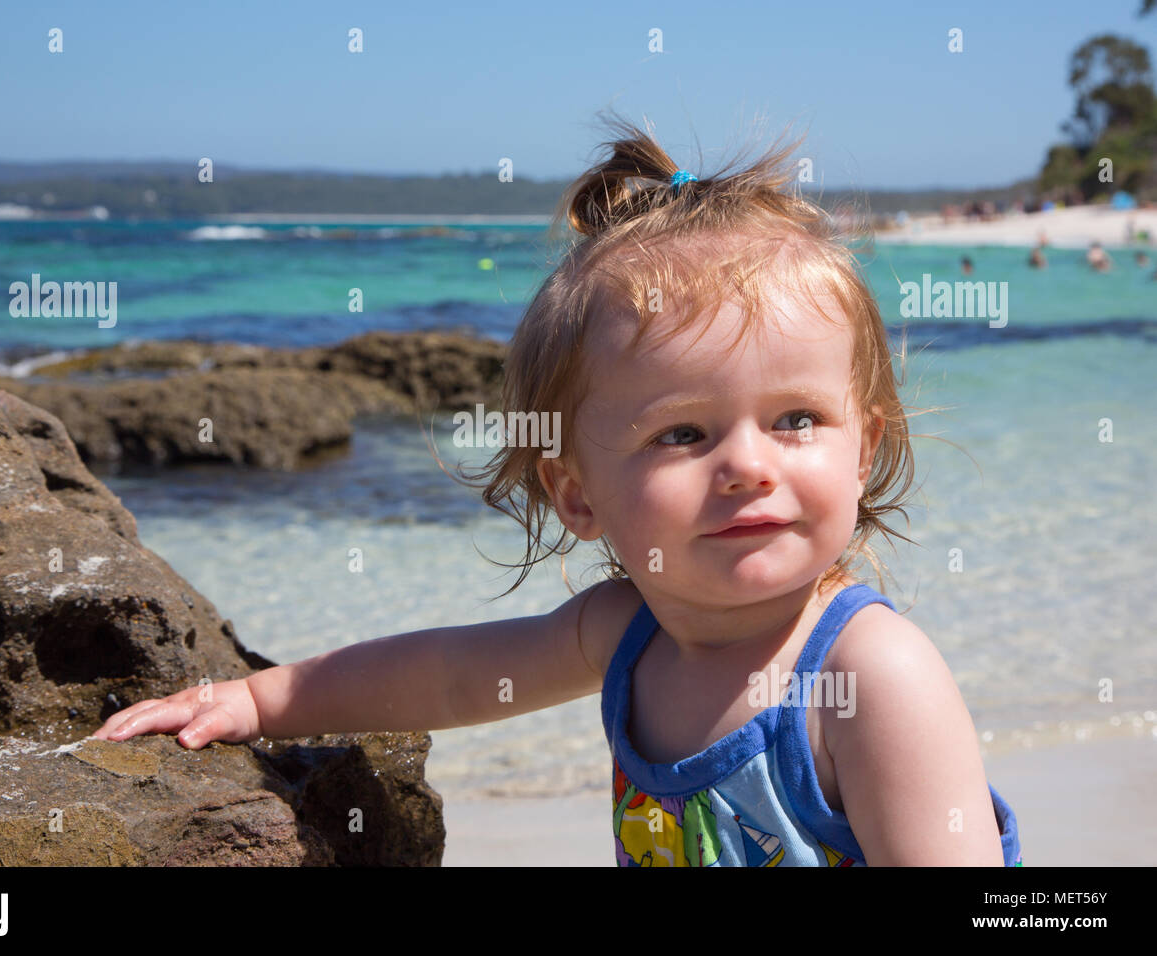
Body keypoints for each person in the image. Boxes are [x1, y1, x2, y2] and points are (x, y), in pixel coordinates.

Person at [93, 117, 1023, 868]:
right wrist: (263, 704)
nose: (749, 465)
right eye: (683, 434)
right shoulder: (629, 634)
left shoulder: (867, 675)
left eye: (796, 420)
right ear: (575, 495)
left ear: (866, 447)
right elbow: (450, 677)